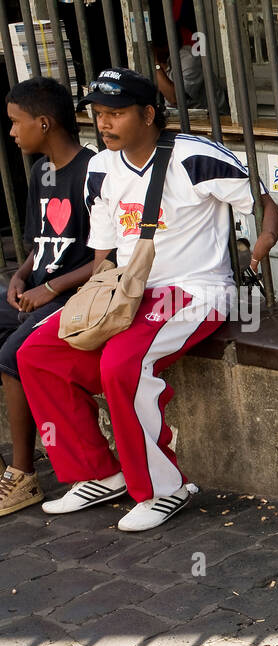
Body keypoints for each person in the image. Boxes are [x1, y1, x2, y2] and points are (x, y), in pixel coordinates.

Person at [16, 67, 278, 532]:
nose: (104, 124)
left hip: (197, 289)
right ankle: (98, 473)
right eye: (98, 115)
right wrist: (87, 306)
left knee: (122, 363)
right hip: (129, 290)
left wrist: (263, 239)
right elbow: (103, 255)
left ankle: (165, 488)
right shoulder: (99, 168)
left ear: (149, 113)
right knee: (37, 354)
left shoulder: (196, 157)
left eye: (115, 114)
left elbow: (263, 201)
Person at [0, 79, 97, 517]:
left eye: (16, 123)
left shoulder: (92, 172)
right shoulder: (41, 173)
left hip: (74, 294)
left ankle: (23, 475)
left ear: (44, 122)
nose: (12, 133)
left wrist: (49, 289)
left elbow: (106, 260)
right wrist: (21, 277)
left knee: (11, 355)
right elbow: (40, 244)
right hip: (39, 290)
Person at [148, 0, 226, 113]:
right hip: (184, 122)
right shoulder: (163, 60)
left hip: (213, 122)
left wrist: (155, 64)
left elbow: (175, 98)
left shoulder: (189, 58)